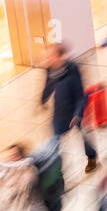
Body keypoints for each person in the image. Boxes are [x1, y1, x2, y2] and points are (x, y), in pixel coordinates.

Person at [40, 44, 98, 174]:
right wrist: (43, 99)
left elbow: (81, 96)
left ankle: (92, 158)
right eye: (47, 57)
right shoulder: (50, 70)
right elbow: (48, 85)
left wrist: (78, 114)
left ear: (60, 56)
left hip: (76, 111)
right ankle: (58, 171)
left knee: (84, 136)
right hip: (60, 111)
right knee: (55, 142)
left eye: (51, 56)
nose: (48, 59)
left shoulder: (72, 70)